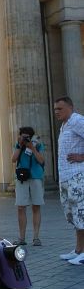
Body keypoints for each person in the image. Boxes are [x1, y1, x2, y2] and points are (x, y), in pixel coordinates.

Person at [54, 96, 84, 265]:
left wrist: (82, 156)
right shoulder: (65, 125)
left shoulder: (78, 121)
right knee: (73, 215)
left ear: (70, 107)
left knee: (82, 213)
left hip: (78, 176)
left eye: (60, 109)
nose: (56, 112)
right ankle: (79, 250)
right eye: (55, 109)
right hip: (65, 177)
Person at [11, 126, 45, 246]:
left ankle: (36, 237)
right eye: (23, 136)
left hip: (36, 177)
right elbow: (13, 159)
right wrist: (20, 146)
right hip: (22, 178)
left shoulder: (38, 144)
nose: (25, 139)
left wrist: (32, 148)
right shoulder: (18, 145)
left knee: (36, 206)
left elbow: (41, 160)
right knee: (21, 207)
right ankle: (22, 238)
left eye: (27, 137)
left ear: (31, 137)